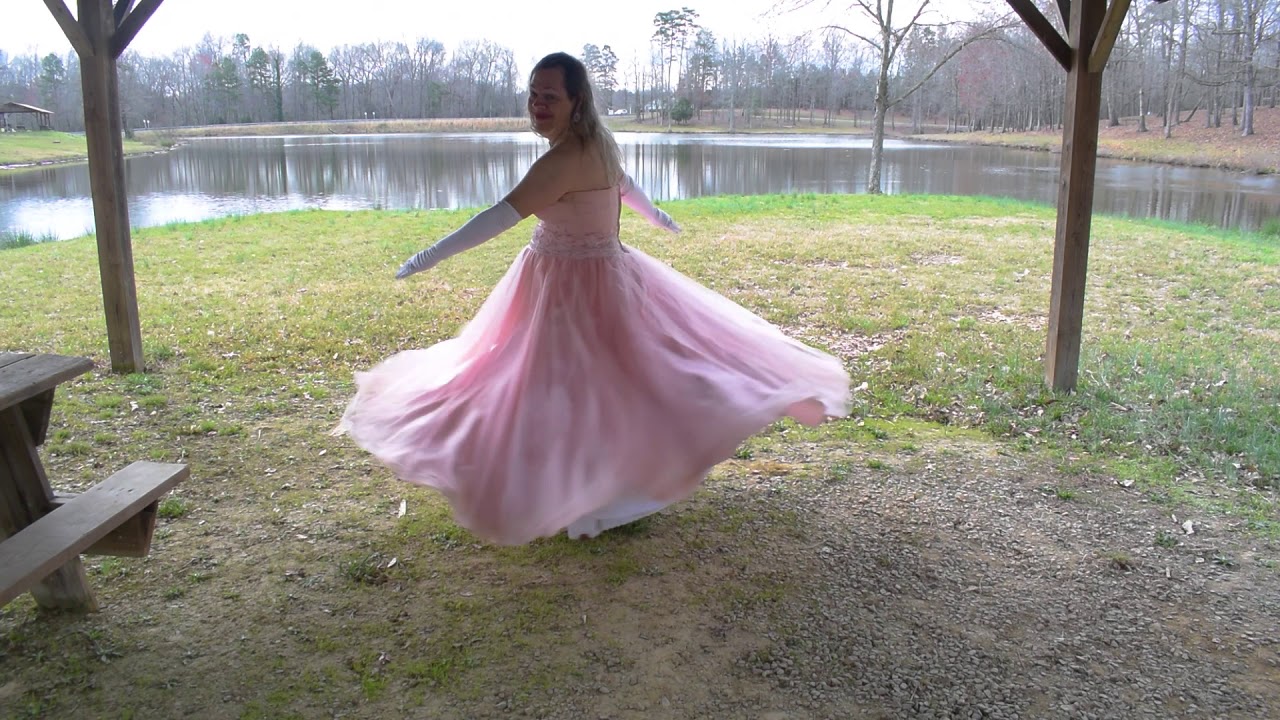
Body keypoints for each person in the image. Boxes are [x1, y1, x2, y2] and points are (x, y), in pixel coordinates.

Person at [336, 52, 851, 545]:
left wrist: (429, 255)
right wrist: (658, 218)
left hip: (572, 285)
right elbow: (625, 186)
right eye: (534, 95)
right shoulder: (598, 143)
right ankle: (593, 492)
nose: (539, 105)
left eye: (551, 97)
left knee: (570, 384)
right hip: (598, 273)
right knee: (597, 382)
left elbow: (498, 217)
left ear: (577, 102)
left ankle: (588, 495)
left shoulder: (563, 160)